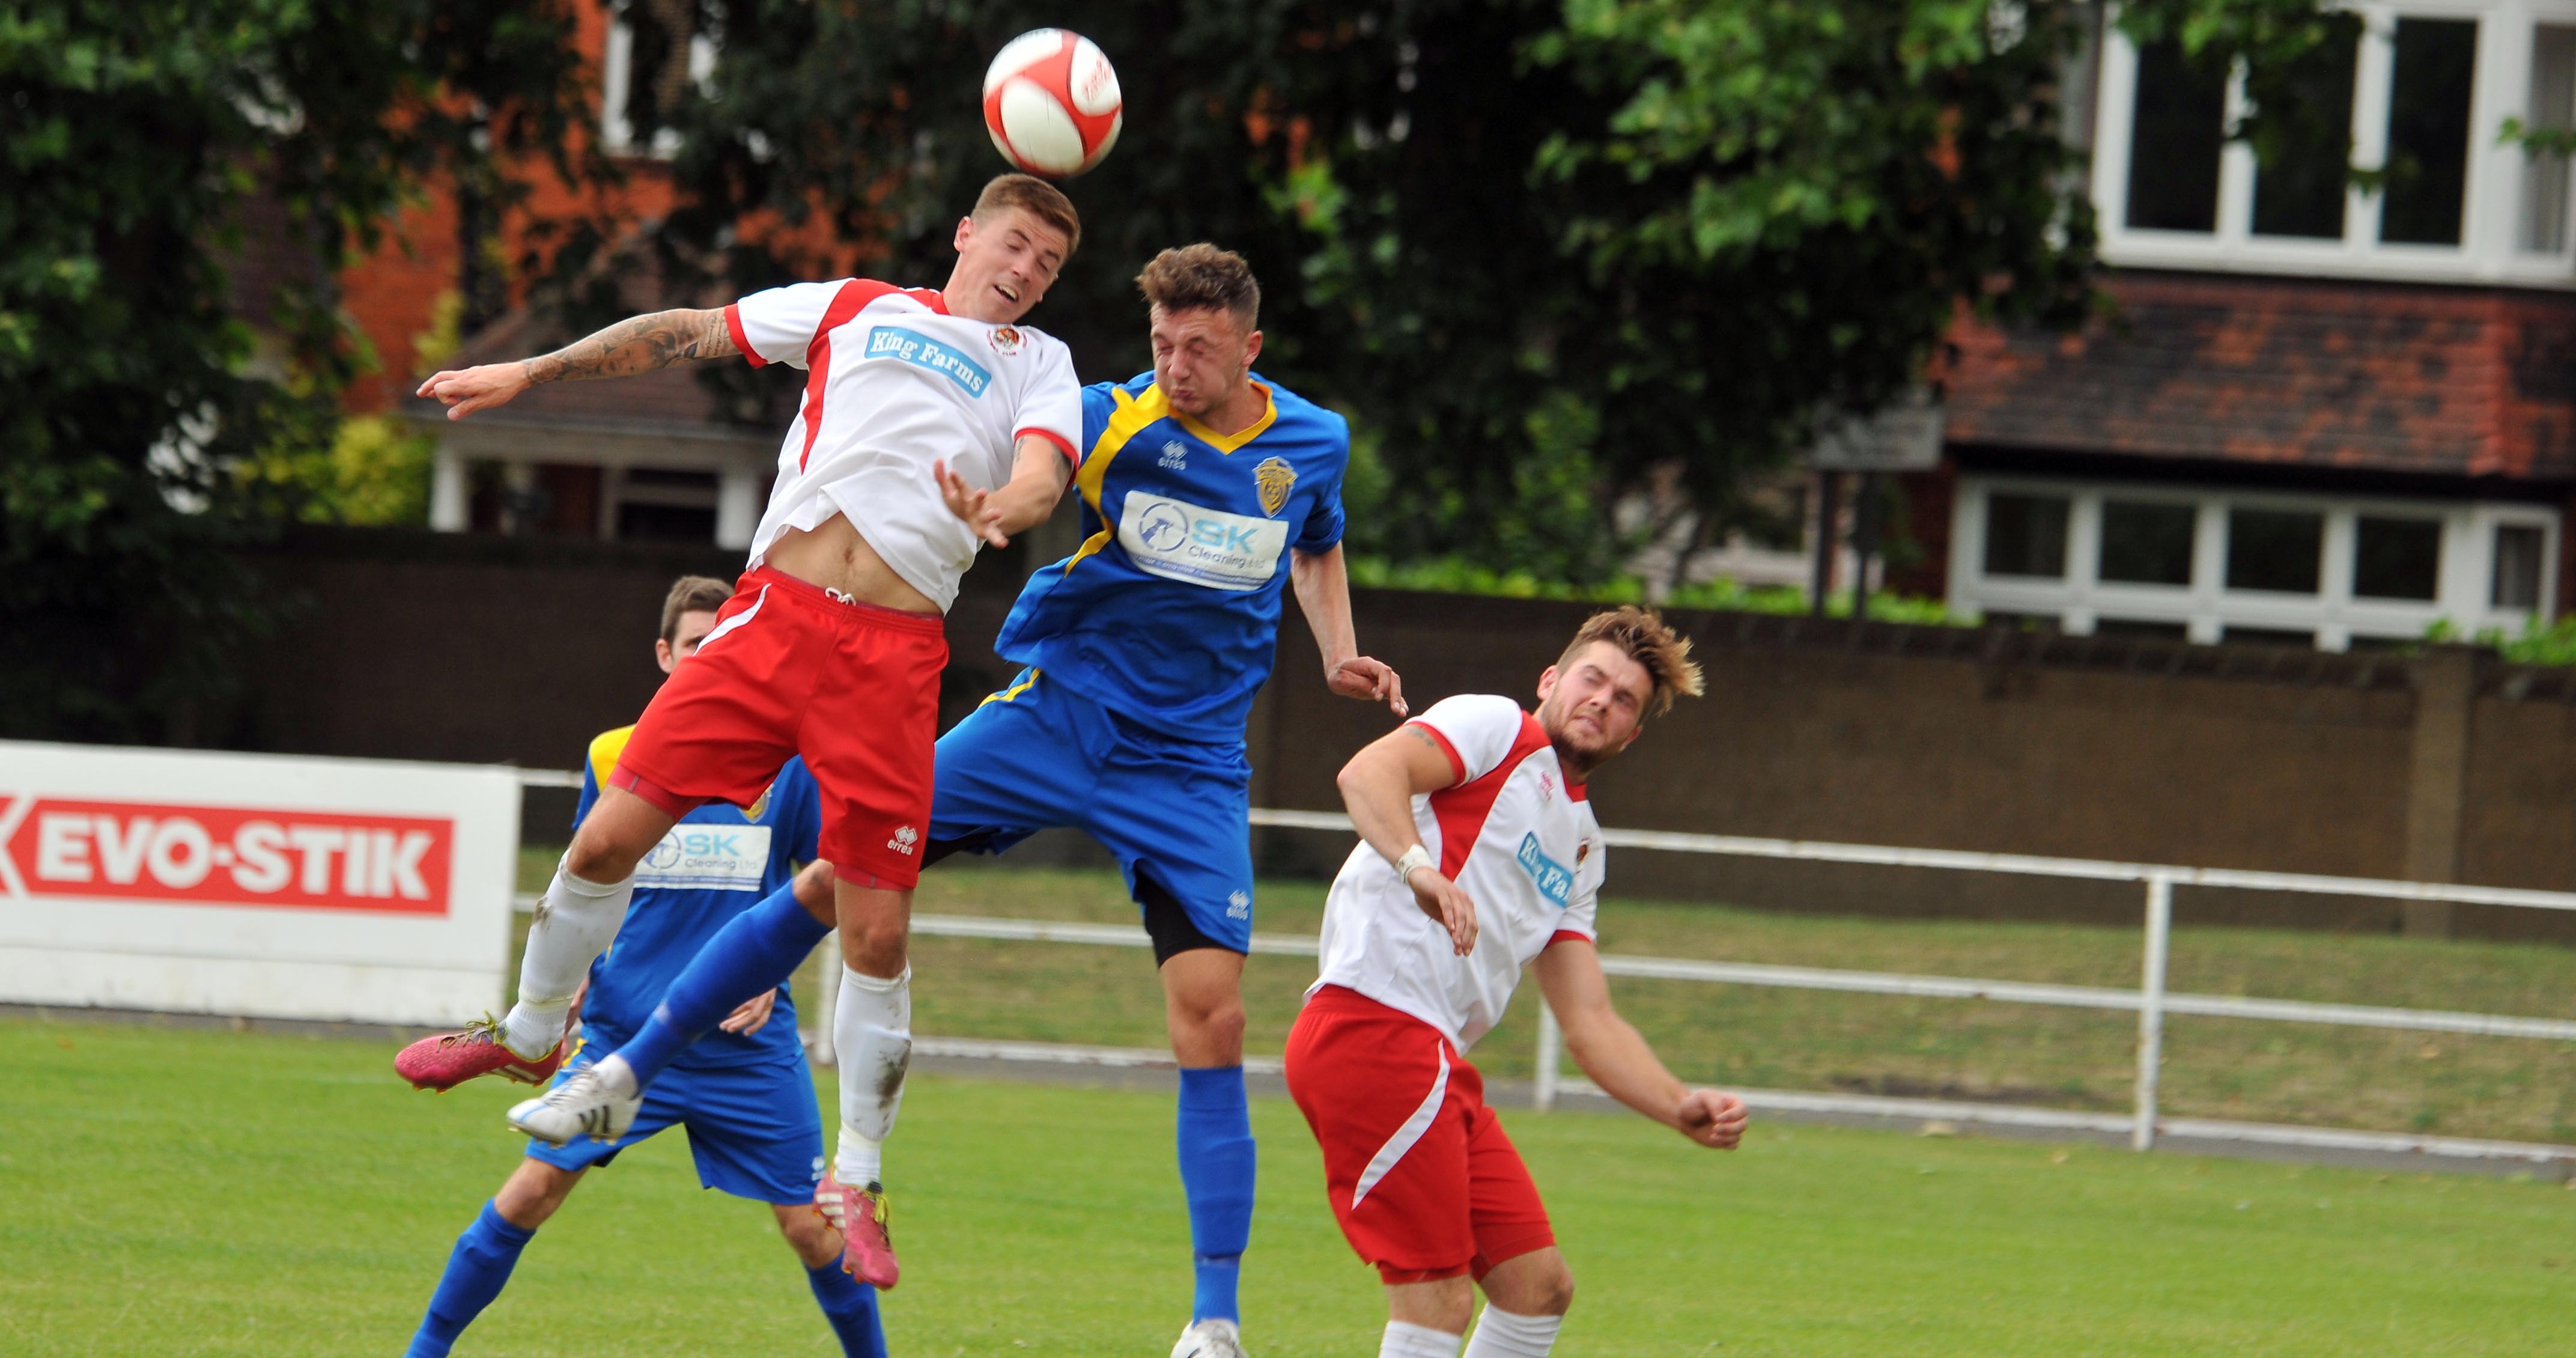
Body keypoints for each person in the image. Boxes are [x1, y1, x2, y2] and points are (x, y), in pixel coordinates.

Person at [511, 245, 1405, 1357]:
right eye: (1163, 344)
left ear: (1250, 349)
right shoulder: (1106, 414)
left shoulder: (1313, 442)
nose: (1176, 366)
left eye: (1201, 350)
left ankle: (1213, 1320)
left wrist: (1339, 655)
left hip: (1187, 763)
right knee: (844, 875)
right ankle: (622, 1070)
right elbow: (1019, 449)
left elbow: (1315, 546)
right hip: (1055, 716)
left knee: (1213, 1018)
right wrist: (983, 497)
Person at [394, 173, 1091, 1291]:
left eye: (1047, 264)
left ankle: (855, 1181)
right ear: (967, 235)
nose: (1024, 273)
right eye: (1013, 245)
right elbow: (681, 333)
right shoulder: (857, 305)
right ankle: (531, 1033)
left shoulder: (1038, 366)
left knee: (875, 935)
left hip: (894, 658)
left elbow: (1041, 471)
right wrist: (532, 369)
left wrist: (1001, 511)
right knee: (603, 845)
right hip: (772, 620)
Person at [399, 577, 884, 1358]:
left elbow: (833, 882)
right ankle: (422, 1352)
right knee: (530, 1193)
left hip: (745, 1047)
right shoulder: (613, 755)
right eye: (695, 644)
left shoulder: (788, 768)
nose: (709, 656)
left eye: (723, 643)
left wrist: (771, 971)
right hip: (624, 1032)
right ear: (666, 655)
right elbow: (594, 884)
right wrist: (582, 975)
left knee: (812, 1228)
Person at [1284, 607, 1749, 1358]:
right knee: (1436, 1297)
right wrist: (1419, 869)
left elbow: (1589, 1019)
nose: (1603, 699)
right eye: (1592, 678)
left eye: (1624, 699)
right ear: (1551, 680)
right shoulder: (1496, 726)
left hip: (1430, 1057)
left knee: (1537, 1287)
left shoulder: (1582, 846)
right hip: (1374, 1027)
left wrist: (1677, 1103)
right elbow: (1369, 771)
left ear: (1630, 735)